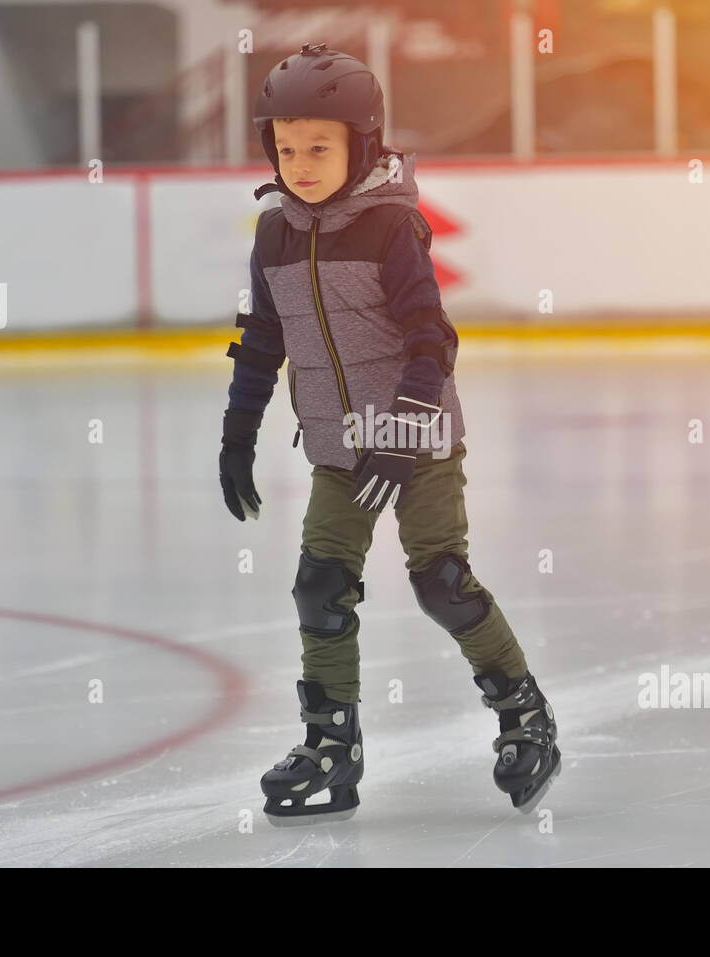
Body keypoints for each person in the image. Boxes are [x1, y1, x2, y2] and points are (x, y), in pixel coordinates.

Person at [219, 43, 560, 826]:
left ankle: (524, 712)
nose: (299, 163)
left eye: (319, 147)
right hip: (342, 449)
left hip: (419, 437)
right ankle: (331, 743)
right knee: (319, 585)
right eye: (286, 146)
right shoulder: (272, 235)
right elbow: (262, 339)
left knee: (440, 580)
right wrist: (238, 432)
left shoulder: (389, 227)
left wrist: (404, 431)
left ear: (361, 144)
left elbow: (432, 340)